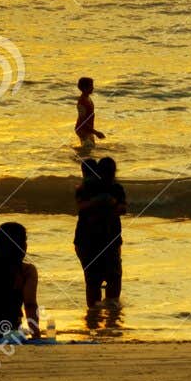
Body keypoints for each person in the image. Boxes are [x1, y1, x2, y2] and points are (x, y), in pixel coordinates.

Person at [74, 157, 125, 312]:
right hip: (89, 241)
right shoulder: (87, 188)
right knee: (96, 279)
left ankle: (105, 311)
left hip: (105, 240)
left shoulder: (116, 188)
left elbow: (123, 208)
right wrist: (100, 202)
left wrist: (111, 204)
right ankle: (97, 312)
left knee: (110, 277)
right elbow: (81, 206)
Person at [75, 76, 105, 143]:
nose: (93, 88)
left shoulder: (88, 98)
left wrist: (93, 131)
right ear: (85, 88)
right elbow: (82, 121)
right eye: (91, 86)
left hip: (88, 129)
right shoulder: (82, 102)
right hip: (82, 129)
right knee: (89, 147)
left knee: (90, 147)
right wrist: (96, 132)